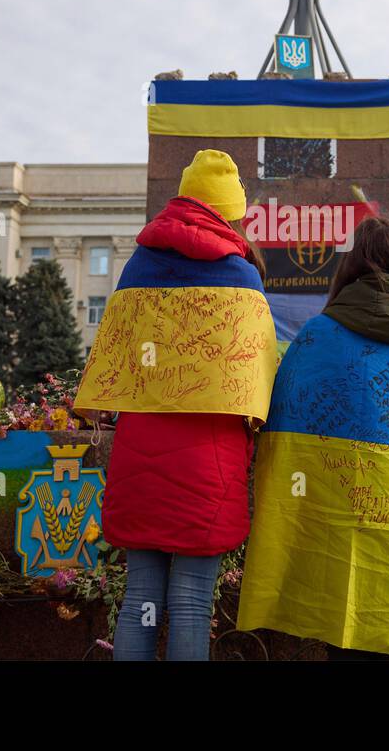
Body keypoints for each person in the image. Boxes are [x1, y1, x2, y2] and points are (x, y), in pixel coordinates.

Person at [236, 215, 389, 660]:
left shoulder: (316, 337)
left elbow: (282, 415)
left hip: (332, 520)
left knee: (343, 635)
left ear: (348, 266)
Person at [74, 149, 277, 661]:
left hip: (140, 452)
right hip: (209, 461)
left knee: (139, 598)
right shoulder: (240, 275)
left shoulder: (138, 267)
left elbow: (112, 362)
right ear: (229, 212)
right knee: (190, 603)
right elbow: (259, 377)